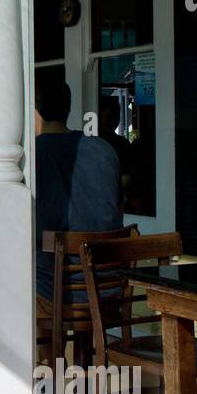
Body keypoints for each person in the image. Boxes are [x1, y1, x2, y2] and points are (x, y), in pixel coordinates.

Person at [34, 76, 123, 305]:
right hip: (109, 286)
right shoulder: (104, 149)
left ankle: (49, 341)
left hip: (56, 291)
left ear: (34, 110)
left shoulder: (33, 156)